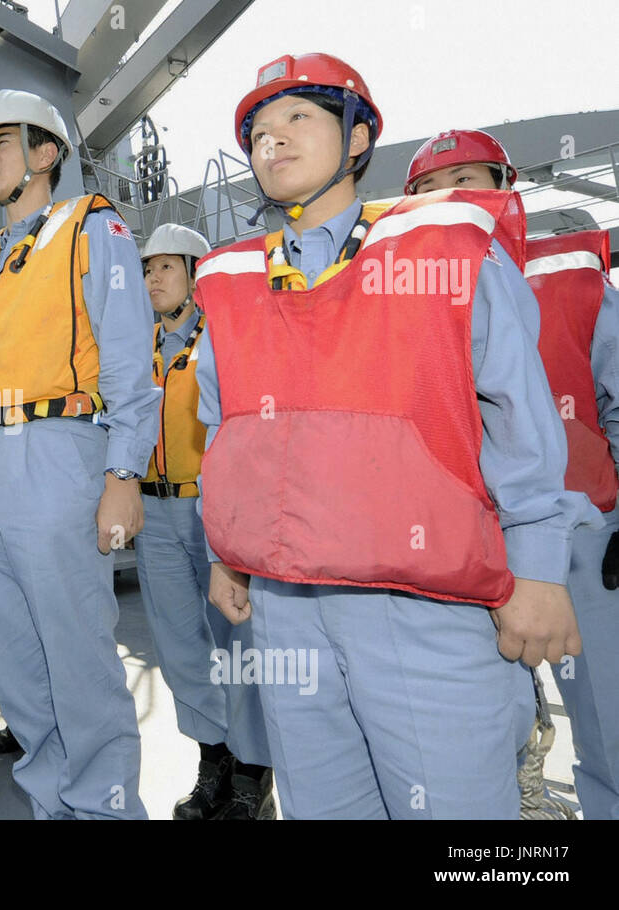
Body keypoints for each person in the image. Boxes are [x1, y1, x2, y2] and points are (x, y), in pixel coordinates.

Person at [195, 52, 597, 819]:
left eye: (297, 119)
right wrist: (226, 554)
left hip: (424, 604)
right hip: (287, 604)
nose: (270, 142)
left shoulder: (445, 245)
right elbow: (224, 428)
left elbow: (520, 411)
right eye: (258, 133)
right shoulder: (232, 282)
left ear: (355, 140)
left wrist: (539, 569)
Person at [0, 89, 159, 819]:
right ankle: (52, 805)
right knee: (14, 662)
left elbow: (132, 364)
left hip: (59, 449)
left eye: (4, 141)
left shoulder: (90, 228)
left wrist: (123, 473)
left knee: (77, 657)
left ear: (47, 154)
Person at [406, 129, 619, 818]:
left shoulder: (572, 279)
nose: (447, 199)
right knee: (471, 737)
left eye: (464, 180)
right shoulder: (401, 294)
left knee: (608, 722)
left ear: (507, 187)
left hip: (580, 545)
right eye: (428, 190)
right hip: (460, 553)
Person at [134, 222, 275, 819]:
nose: (153, 279)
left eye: (167, 267)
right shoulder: (135, 350)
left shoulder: (226, 336)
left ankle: (252, 767)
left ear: (196, 274)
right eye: (147, 269)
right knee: (180, 649)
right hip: (154, 509)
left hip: (214, 509)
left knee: (238, 644)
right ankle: (212, 756)